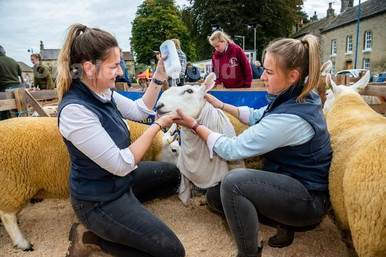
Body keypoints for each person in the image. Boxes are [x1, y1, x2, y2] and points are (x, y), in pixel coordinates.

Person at [174, 34, 332, 257]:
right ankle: (284, 223)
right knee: (215, 197)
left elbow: (232, 149)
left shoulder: (291, 119)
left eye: (269, 72)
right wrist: (221, 105)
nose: (263, 77)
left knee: (234, 183)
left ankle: (249, 252)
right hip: (292, 182)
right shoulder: (296, 95)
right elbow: (259, 115)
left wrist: (195, 125)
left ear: (292, 76)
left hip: (308, 200)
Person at [56, 24, 185, 257]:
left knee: (171, 174)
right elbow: (121, 163)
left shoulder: (104, 92)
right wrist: (158, 125)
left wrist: (158, 77)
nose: (120, 71)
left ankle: (127, 216)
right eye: (114, 66)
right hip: (99, 199)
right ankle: (92, 238)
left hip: (120, 181)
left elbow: (140, 110)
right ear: (89, 68)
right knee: (172, 252)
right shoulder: (75, 110)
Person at [0, 45, 24, 120]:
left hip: (4, 88)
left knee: (4, 112)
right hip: (16, 88)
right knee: (18, 110)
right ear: (4, 52)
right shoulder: (13, 60)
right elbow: (21, 76)